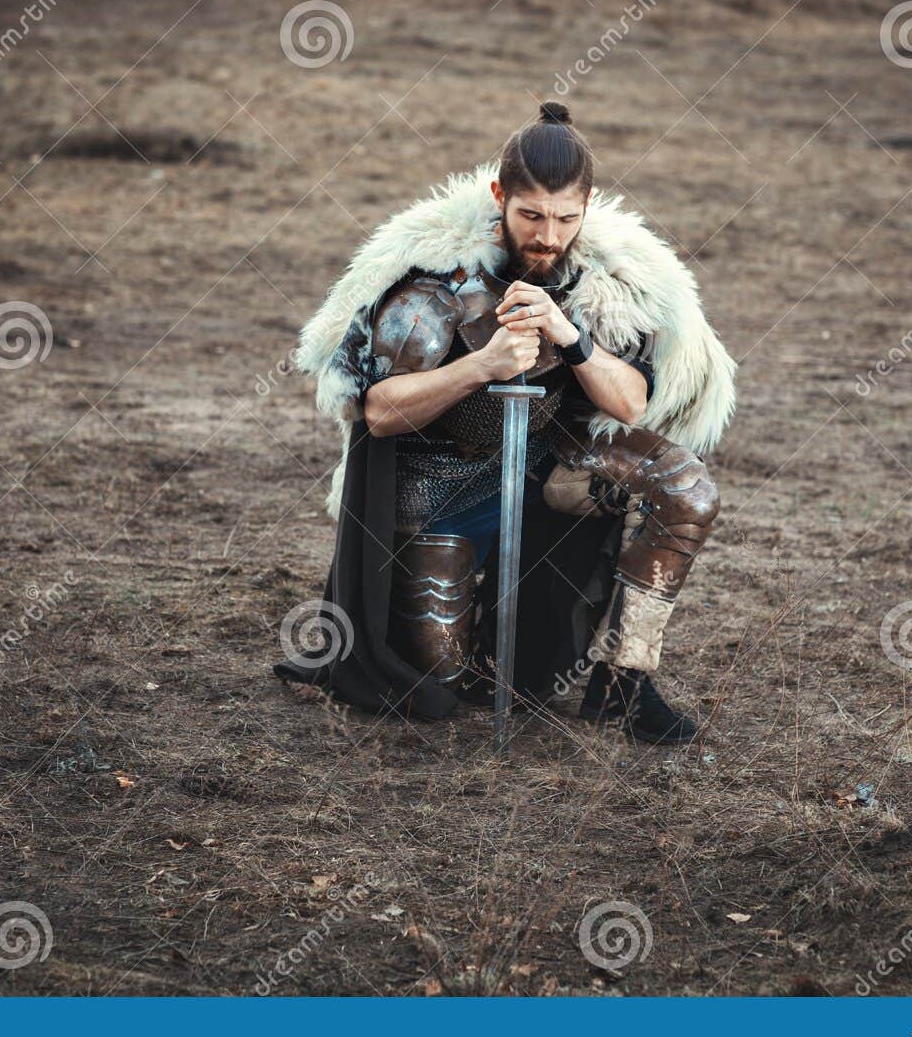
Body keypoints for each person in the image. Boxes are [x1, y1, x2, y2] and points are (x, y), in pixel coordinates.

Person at [274, 102, 738, 744]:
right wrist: (483, 365)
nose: (549, 236)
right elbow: (378, 413)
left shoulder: (601, 281)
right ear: (499, 197)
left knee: (687, 491)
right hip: (438, 489)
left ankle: (623, 682)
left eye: (566, 218)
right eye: (531, 216)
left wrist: (571, 337)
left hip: (543, 470)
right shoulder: (434, 284)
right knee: (446, 681)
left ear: (587, 205)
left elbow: (629, 403)